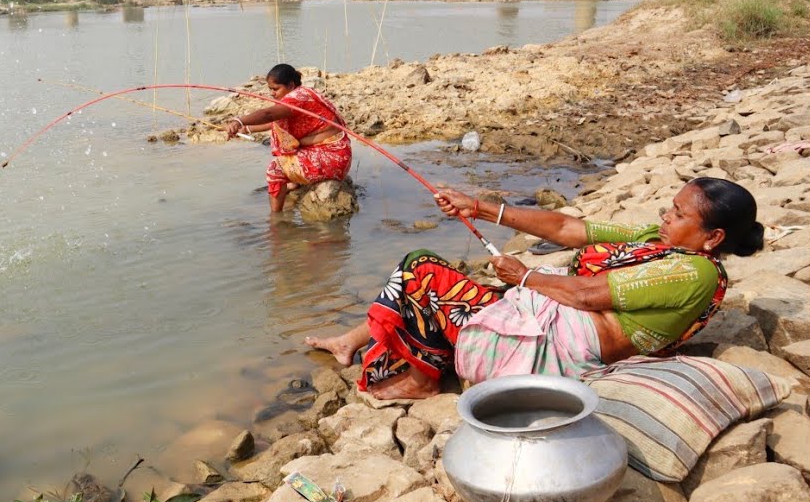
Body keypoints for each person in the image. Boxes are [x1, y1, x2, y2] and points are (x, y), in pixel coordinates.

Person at [305, 177, 763, 400]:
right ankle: (351, 341)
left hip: (562, 346)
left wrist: (525, 277)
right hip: (557, 315)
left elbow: (587, 296)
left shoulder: (695, 272)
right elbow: (567, 228)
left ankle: (424, 381)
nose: (665, 216)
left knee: (420, 270)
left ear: (713, 237)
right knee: (436, 280)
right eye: (670, 207)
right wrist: (478, 207)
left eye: (679, 214)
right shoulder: (655, 242)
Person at [224, 64, 353, 213]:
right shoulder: (301, 94)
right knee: (288, 150)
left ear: (291, 85)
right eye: (270, 89)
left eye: (275, 89)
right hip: (336, 151)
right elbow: (275, 121)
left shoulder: (297, 99)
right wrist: (246, 128)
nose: (272, 93)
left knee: (275, 169)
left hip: (333, 158)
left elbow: (268, 115)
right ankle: (293, 182)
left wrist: (239, 121)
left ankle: (276, 218)